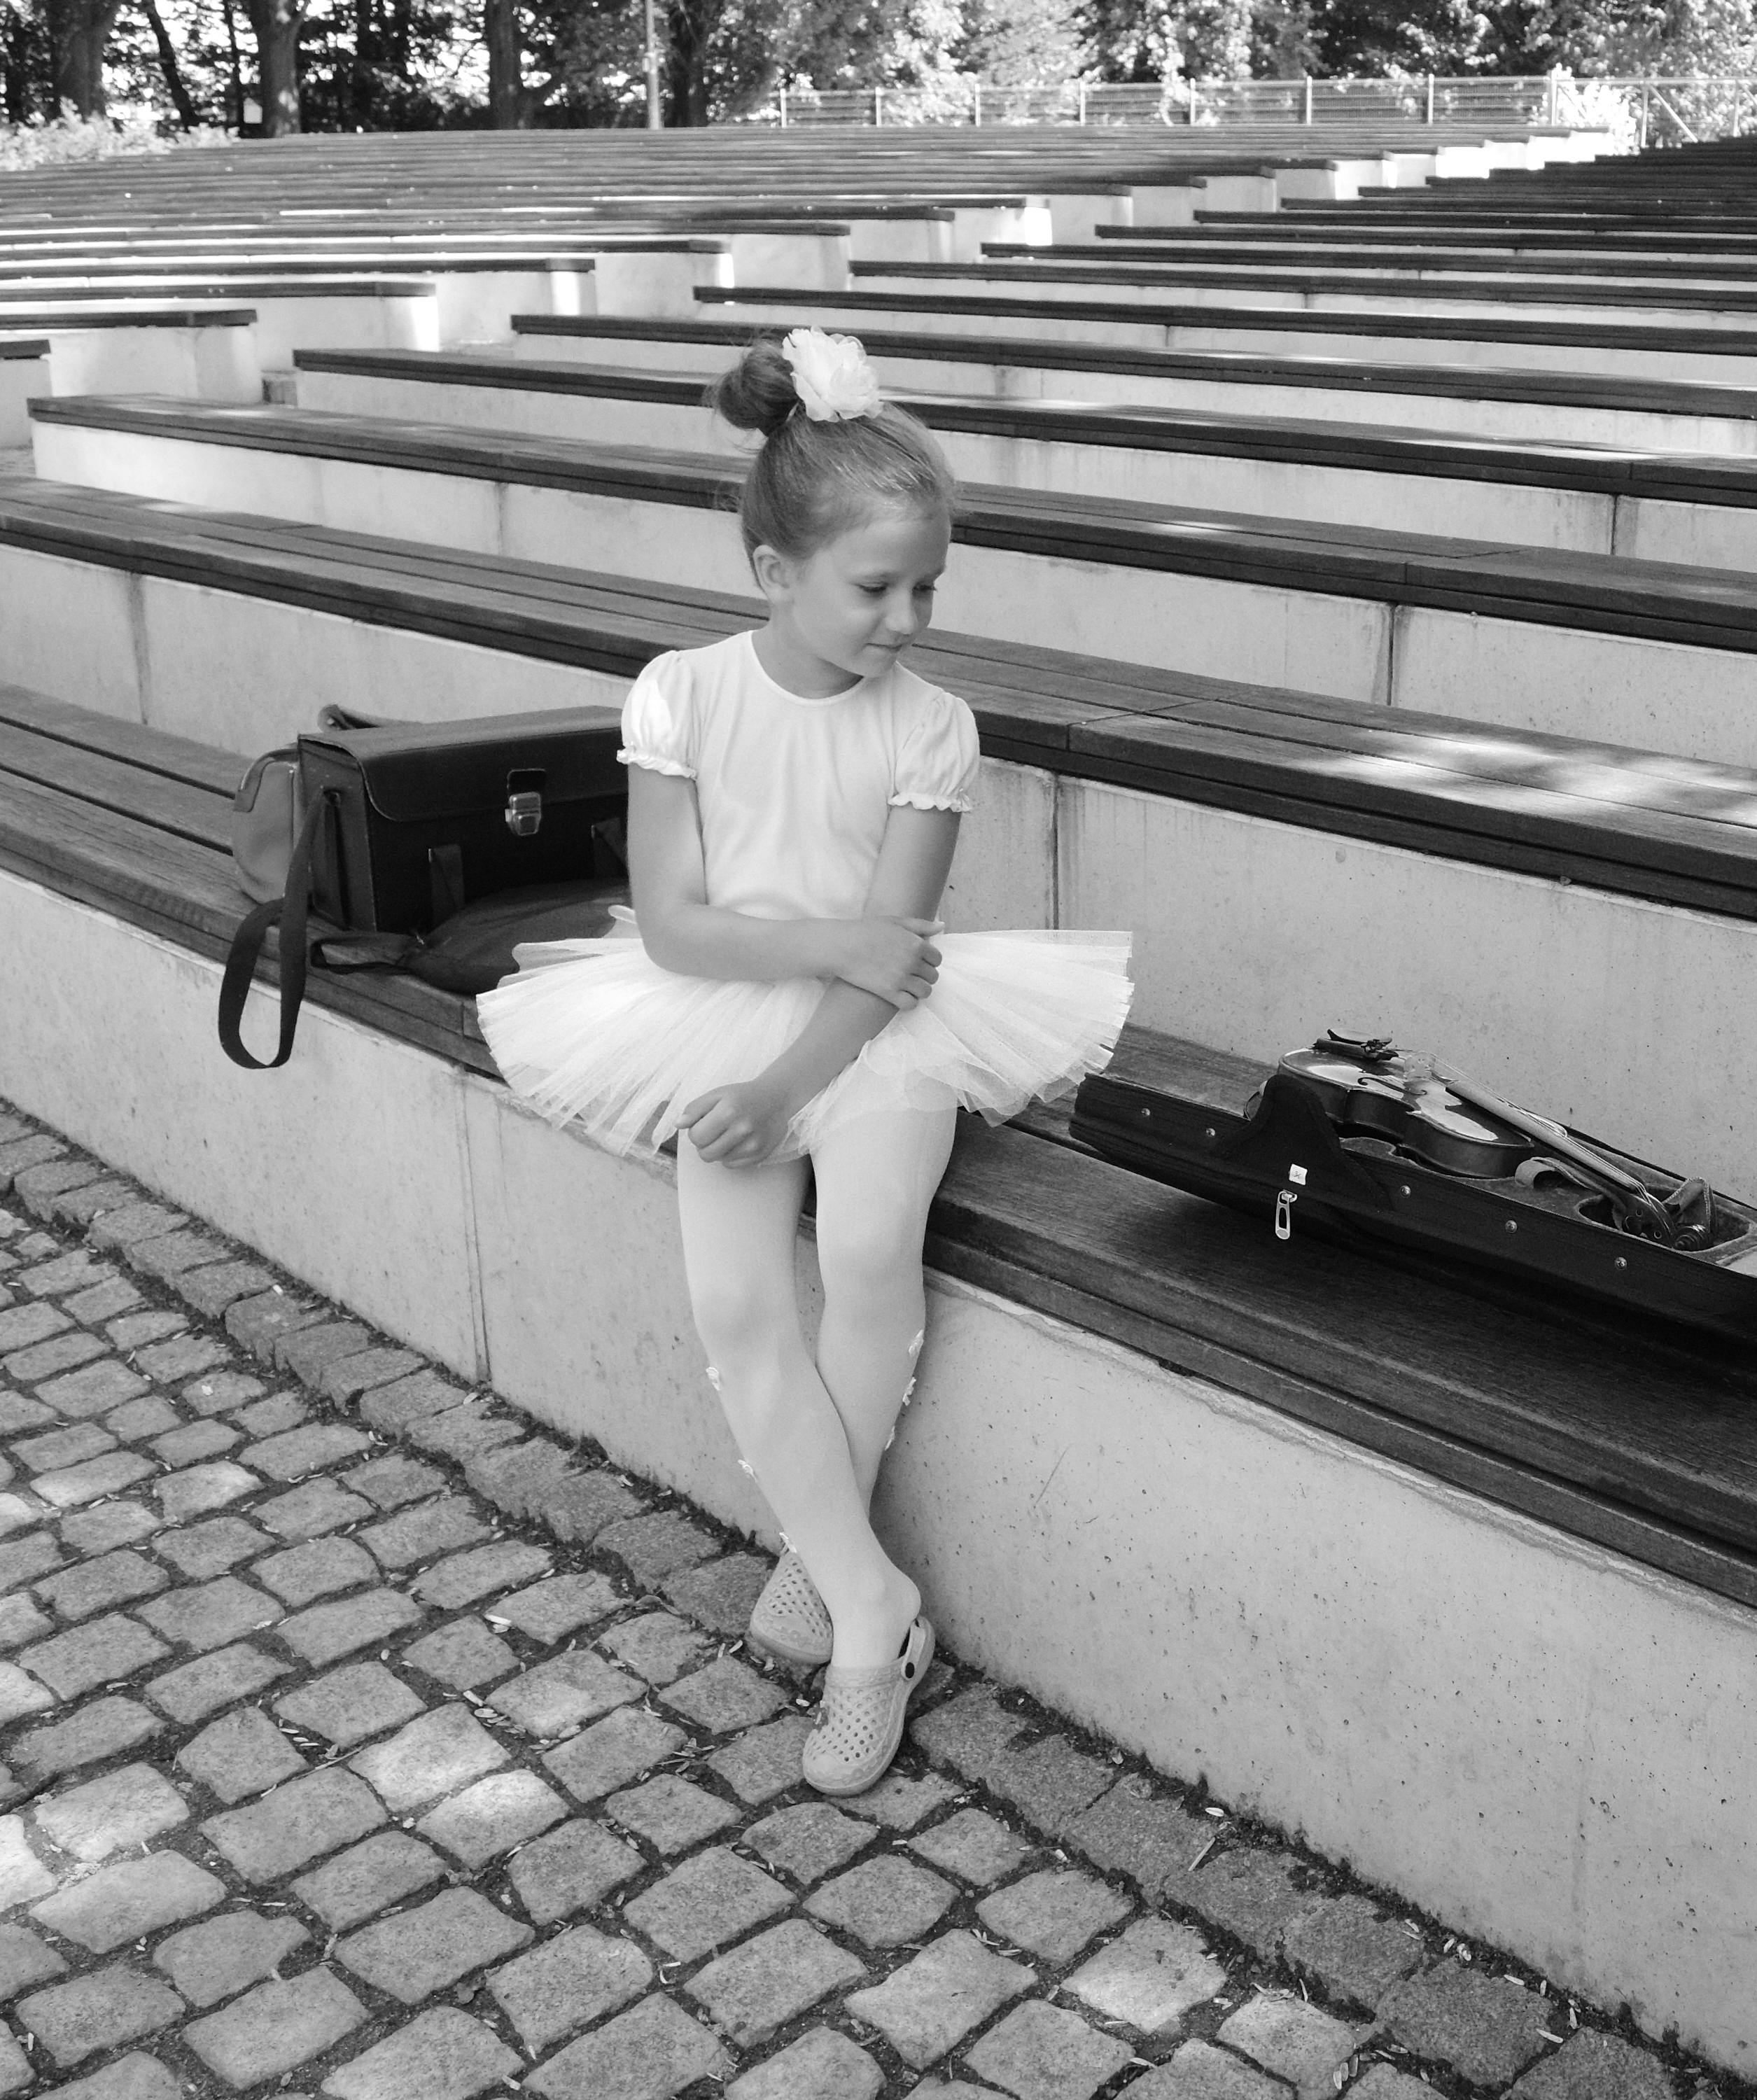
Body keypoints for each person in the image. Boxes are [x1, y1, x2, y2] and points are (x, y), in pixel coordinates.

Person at [478, 328, 1131, 1796]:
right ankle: (868, 1582)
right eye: (873, 586)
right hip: (716, 1008)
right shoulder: (683, 695)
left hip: (879, 1040)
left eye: (927, 588)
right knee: (730, 1298)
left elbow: (896, 963)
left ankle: (843, 1610)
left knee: (874, 1252)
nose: (906, 619)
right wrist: (822, 954)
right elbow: (675, 924)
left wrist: (789, 1078)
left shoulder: (934, 728)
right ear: (773, 570)